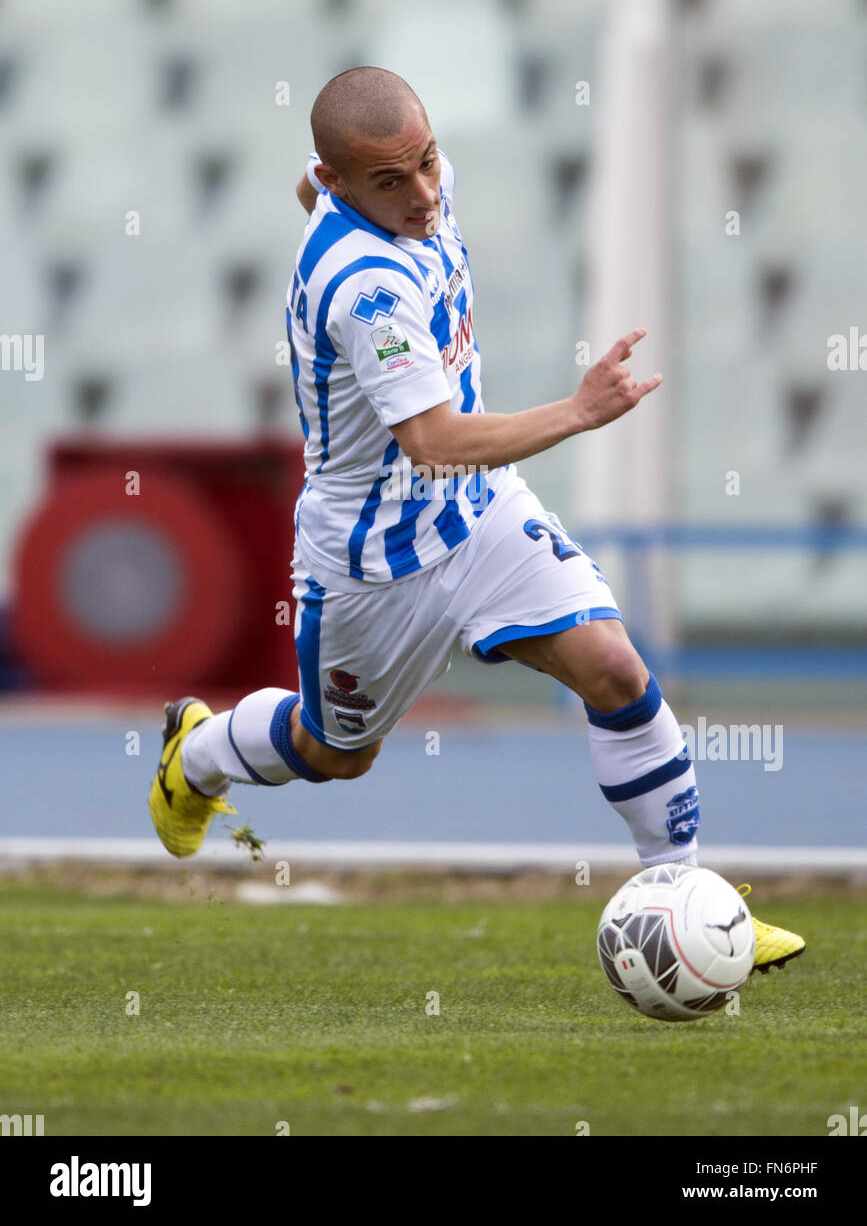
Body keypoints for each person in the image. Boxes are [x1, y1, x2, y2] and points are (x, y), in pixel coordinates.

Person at [149, 67, 803, 973]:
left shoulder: (395, 178)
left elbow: (313, 182)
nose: (422, 193)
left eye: (425, 162)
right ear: (344, 184)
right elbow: (433, 440)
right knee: (335, 752)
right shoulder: (362, 288)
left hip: (480, 513)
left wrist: (351, 186)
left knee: (613, 668)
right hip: (373, 562)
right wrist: (576, 412)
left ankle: (689, 902)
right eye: (390, 181)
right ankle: (200, 755)